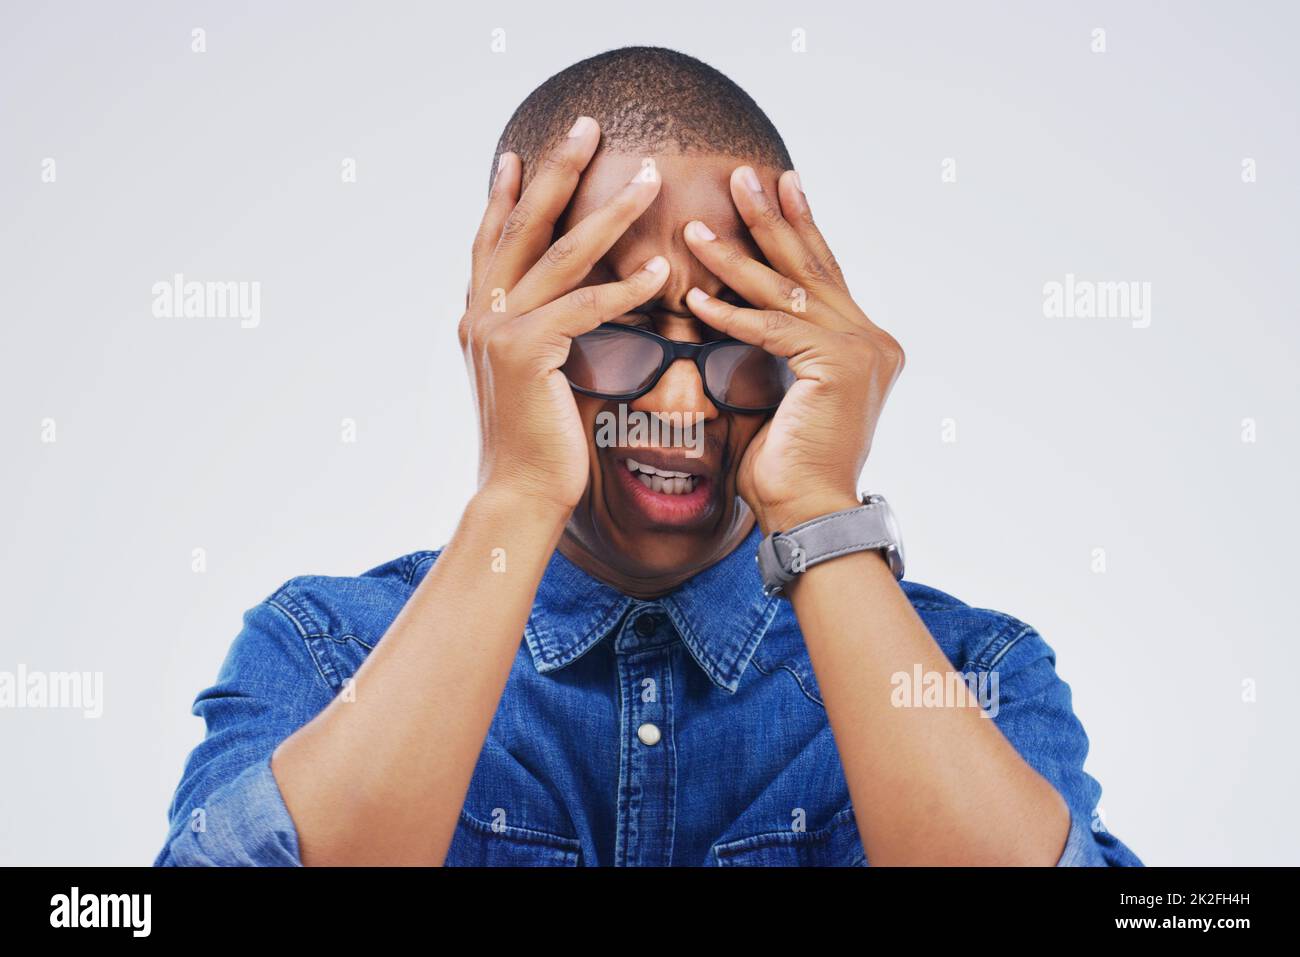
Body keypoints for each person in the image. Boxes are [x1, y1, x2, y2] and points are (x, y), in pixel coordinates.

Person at [155, 46, 1142, 867]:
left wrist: (816, 508)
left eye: (733, 331)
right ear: (512, 331)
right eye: (615, 324)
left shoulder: (969, 675)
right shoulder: (328, 653)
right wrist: (517, 491)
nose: (677, 401)